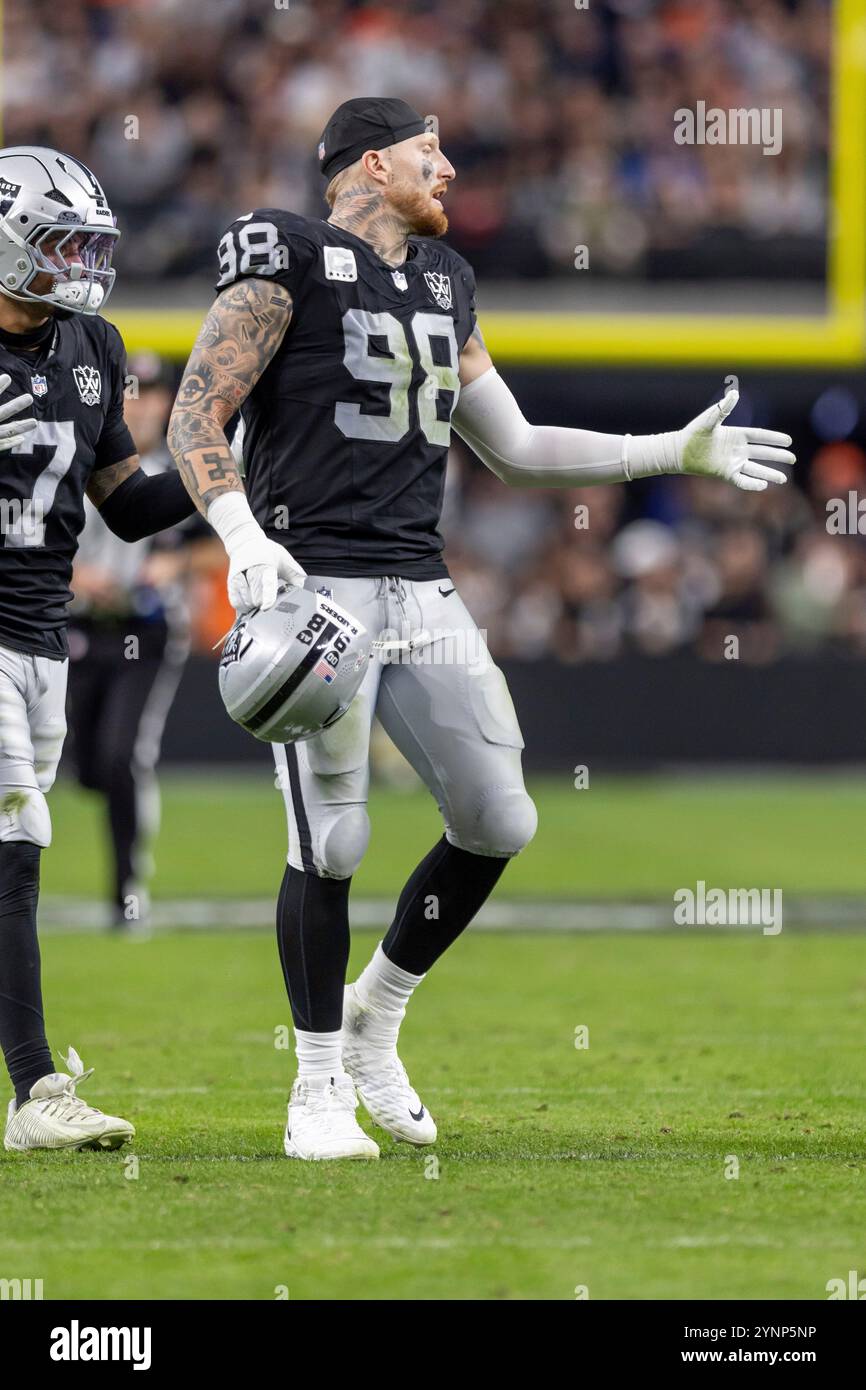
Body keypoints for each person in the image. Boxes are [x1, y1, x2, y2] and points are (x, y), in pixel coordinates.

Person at [167, 98, 795, 1161]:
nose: (449, 169)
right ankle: (313, 1087)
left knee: (500, 817)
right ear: (372, 161)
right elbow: (195, 414)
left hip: (421, 582)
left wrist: (666, 454)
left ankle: (376, 1015)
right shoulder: (288, 253)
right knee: (334, 838)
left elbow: (511, 445)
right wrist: (238, 536)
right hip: (315, 581)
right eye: (429, 152)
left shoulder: (446, 280)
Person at [0, 147, 196, 1152]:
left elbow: (127, 507)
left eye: (85, 242)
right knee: (16, 850)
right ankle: (36, 1090)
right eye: (56, 240)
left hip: (46, 640)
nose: (75, 261)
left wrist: (219, 462)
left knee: (12, 848)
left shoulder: (95, 343)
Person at [68, 351, 218, 931]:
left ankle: (127, 889)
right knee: (85, 766)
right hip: (78, 627)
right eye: (131, 392)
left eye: (152, 394)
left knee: (123, 755)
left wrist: (175, 565)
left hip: (148, 634)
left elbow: (223, 541)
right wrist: (77, 577)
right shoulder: (85, 457)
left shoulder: (184, 464)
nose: (141, 404)